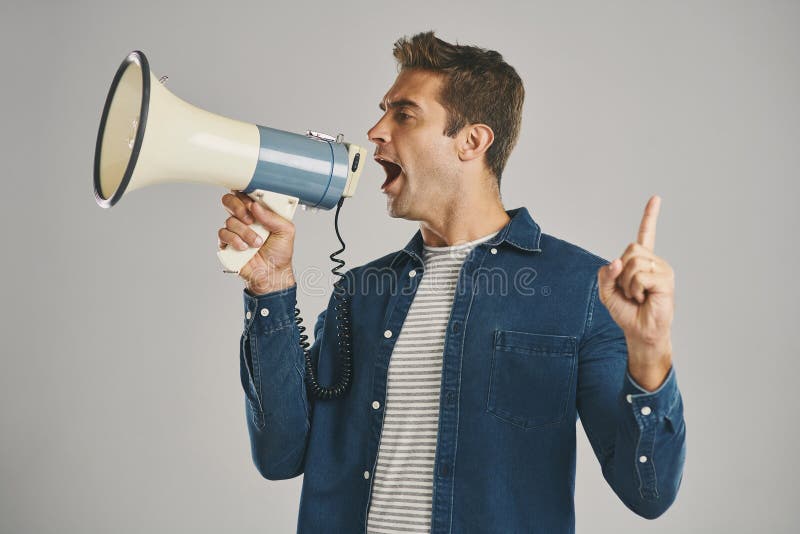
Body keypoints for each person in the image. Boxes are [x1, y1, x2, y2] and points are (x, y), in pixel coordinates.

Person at [217, 31, 686, 534]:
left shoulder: (580, 289)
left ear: (472, 141)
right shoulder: (360, 293)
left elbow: (649, 492)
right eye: (382, 112)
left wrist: (651, 351)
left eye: (404, 114)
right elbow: (279, 454)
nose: (374, 131)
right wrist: (271, 287)